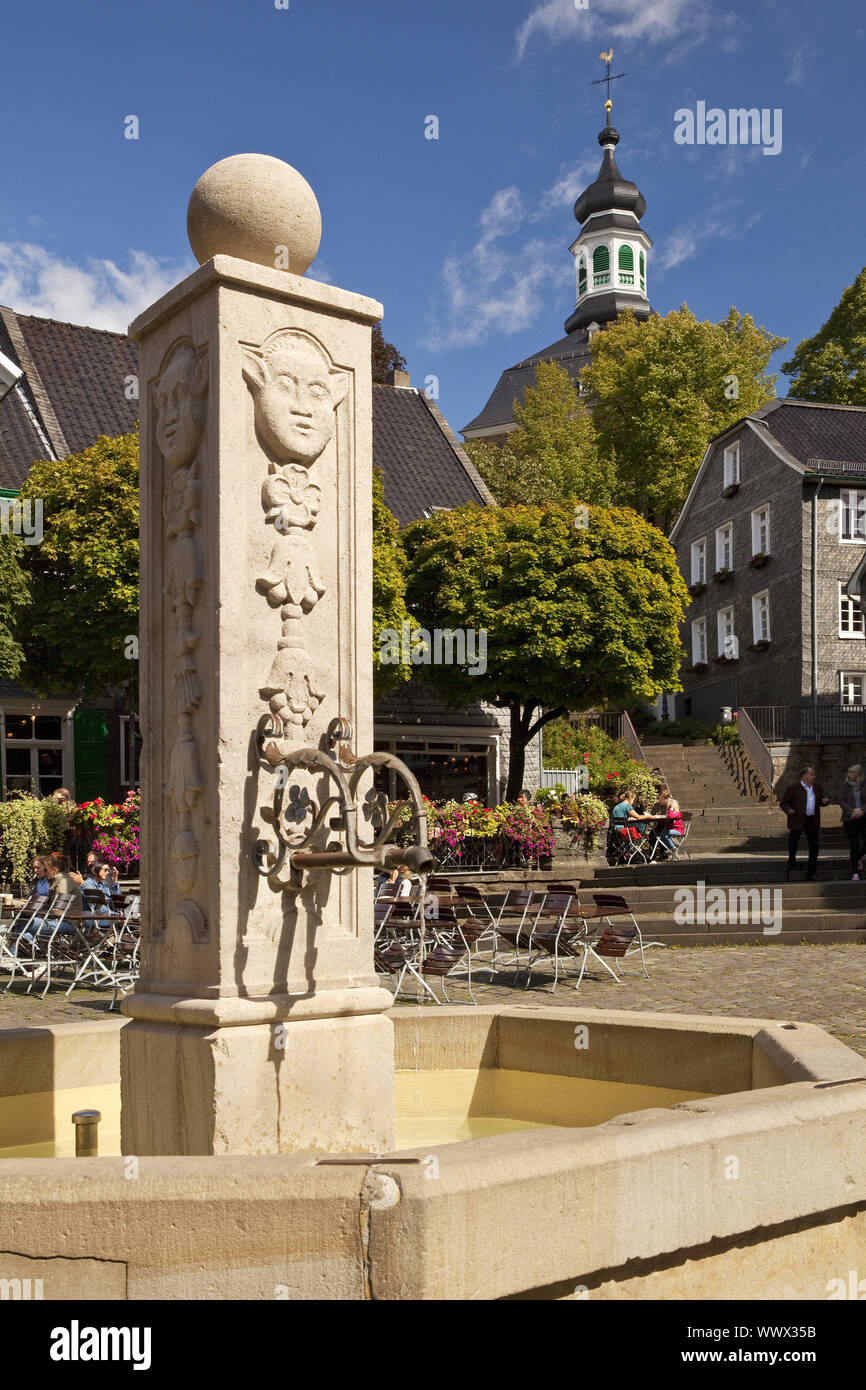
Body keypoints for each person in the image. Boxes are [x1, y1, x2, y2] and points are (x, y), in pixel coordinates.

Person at [779, 766, 830, 881]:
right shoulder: (793, 788)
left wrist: (825, 802)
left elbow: (821, 801)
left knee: (814, 845)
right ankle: (791, 862)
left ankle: (811, 871)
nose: (814, 777)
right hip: (797, 818)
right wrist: (789, 810)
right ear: (804, 776)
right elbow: (784, 803)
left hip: (812, 820)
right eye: (811, 774)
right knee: (793, 842)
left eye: (814, 775)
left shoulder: (817, 787)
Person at [608, 789, 655, 860]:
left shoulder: (617, 806)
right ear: (631, 798)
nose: (633, 801)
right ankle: (630, 853)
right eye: (633, 799)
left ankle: (627, 853)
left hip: (615, 831)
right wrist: (649, 816)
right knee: (640, 829)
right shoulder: (627, 806)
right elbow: (638, 817)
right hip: (624, 832)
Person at [838, 765, 866, 881]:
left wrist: (862, 811)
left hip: (863, 817)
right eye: (849, 773)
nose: (851, 775)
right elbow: (841, 800)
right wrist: (851, 812)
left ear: (859, 774)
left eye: (853, 773)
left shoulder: (864, 785)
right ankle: (854, 872)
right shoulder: (845, 786)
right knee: (854, 844)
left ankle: (857, 858)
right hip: (849, 818)